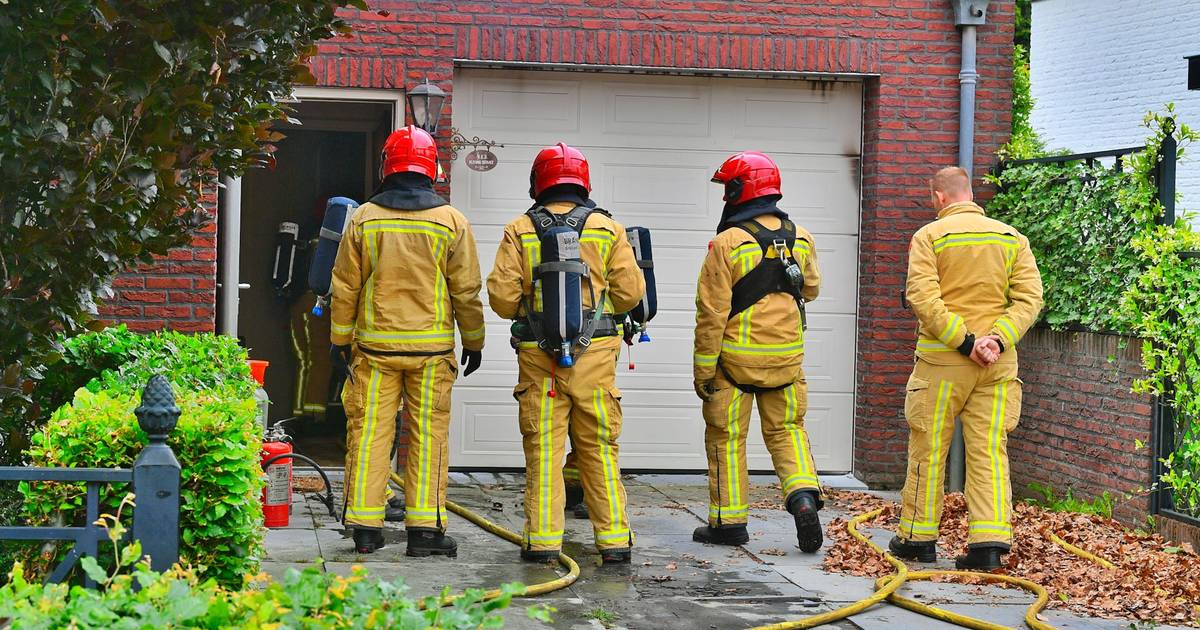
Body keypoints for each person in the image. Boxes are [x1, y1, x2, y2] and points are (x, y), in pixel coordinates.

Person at [329, 125, 486, 557]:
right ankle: (425, 532)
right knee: (428, 437)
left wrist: (340, 339)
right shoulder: (451, 221)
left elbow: (344, 286)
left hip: (374, 353)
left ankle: (365, 528)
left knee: (368, 435)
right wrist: (474, 342)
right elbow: (466, 290)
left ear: (387, 166)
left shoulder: (363, 218)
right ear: (431, 168)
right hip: (432, 355)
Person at [487, 142, 645, 564]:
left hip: (540, 362)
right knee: (599, 449)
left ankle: (541, 543)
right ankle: (613, 542)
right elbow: (630, 295)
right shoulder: (607, 229)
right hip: (596, 360)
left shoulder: (520, 229)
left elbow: (502, 300)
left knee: (543, 451)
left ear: (538, 181)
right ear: (583, 180)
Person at [889, 166, 1043, 571]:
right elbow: (1029, 299)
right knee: (989, 451)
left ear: (938, 196)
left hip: (943, 363)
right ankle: (989, 544)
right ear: (970, 193)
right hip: (998, 366)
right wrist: (997, 339)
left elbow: (923, 297)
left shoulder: (929, 237)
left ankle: (917, 538)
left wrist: (966, 342)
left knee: (928, 447)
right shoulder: (1012, 238)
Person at [692, 151, 824, 553]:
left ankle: (728, 523)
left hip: (735, 365)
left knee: (727, 437)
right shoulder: (801, 236)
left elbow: (712, 313)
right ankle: (803, 497)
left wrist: (703, 372)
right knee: (788, 432)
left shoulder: (728, 242)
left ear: (739, 190)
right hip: (786, 361)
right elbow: (812, 289)